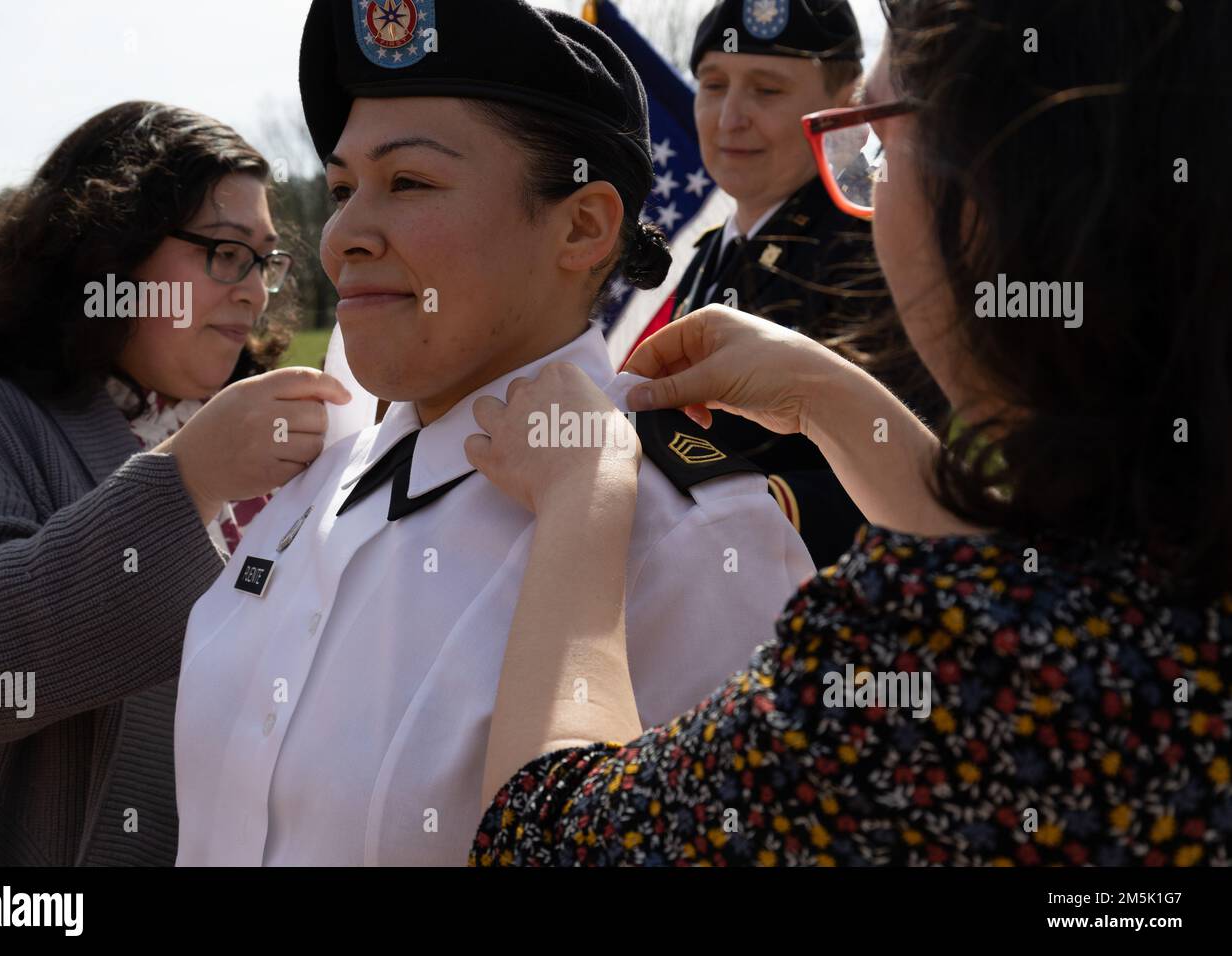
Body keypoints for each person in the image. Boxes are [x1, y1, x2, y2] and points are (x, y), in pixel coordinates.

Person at [468, 0, 1232, 866]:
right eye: (712, 86)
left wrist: (583, 497)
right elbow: (1040, 559)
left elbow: (549, 841)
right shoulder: (1151, 537)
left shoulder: (939, 657)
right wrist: (832, 400)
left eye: (876, 143)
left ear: (991, 189)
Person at [171, 0, 815, 867]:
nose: (343, 238)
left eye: (409, 183)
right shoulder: (318, 462)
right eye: (341, 189)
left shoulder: (695, 536)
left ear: (583, 226)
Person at [0, 101, 350, 866]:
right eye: (226, 252)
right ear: (108, 254)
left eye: (266, 259)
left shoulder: (290, 446)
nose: (255, 291)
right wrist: (188, 477)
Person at [667, 0, 945, 568]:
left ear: (847, 108)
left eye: (766, 91)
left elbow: (908, 468)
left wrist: (724, 513)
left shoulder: (872, 254)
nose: (729, 118)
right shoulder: (708, 257)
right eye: (713, 85)